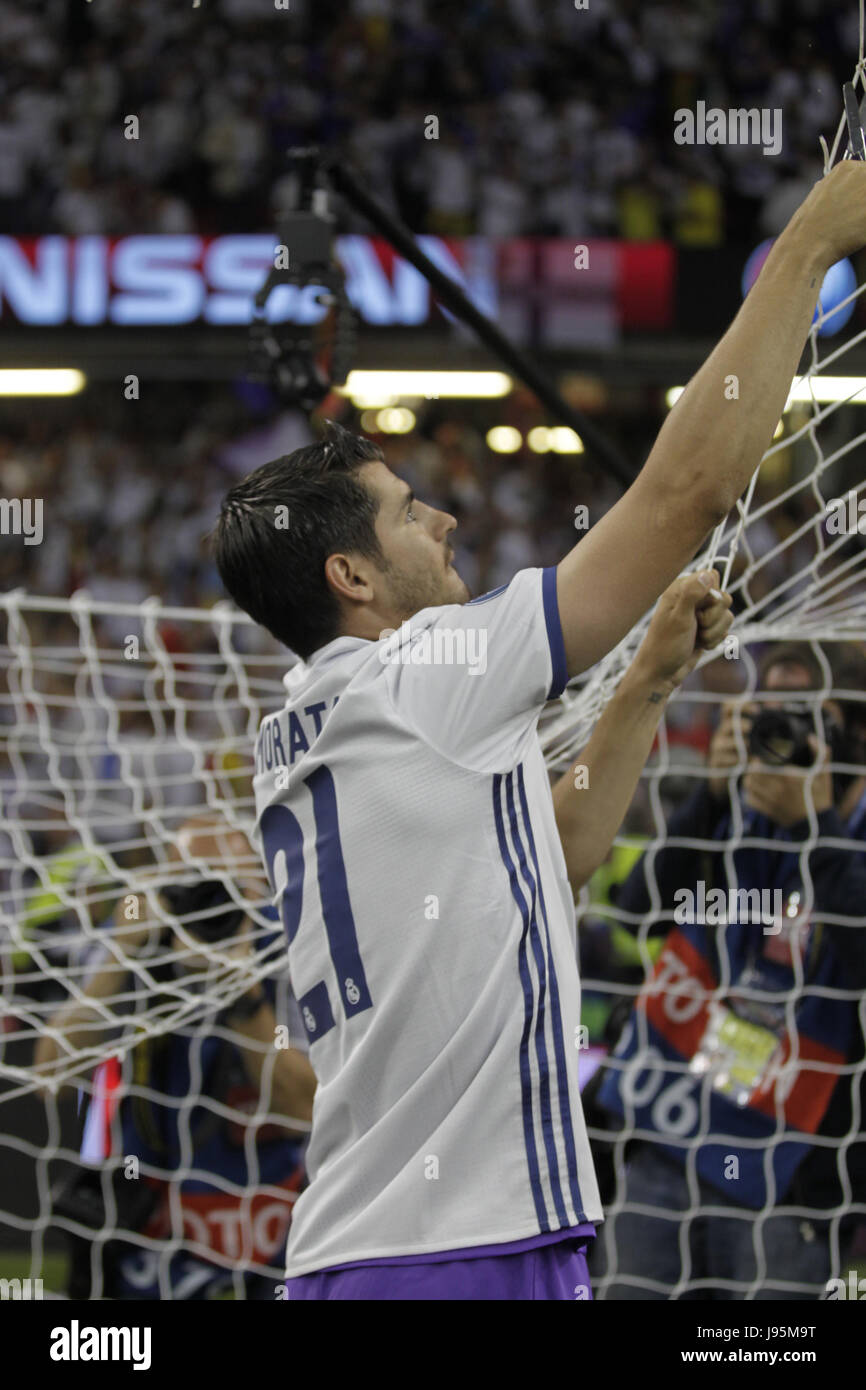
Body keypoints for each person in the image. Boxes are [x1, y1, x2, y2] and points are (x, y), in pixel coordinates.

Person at [212, 159, 866, 1300]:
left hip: (380, 1248)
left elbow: (553, 851)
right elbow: (684, 495)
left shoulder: (324, 719)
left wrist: (645, 684)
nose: (446, 518)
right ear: (350, 575)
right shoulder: (422, 676)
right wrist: (810, 245)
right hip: (456, 1251)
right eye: (409, 512)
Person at [590, 641, 866, 1299]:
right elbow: (638, 913)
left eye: (806, 716)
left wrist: (818, 828)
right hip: (673, 1137)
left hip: (790, 1182)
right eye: (769, 711)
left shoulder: (851, 831)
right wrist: (710, 799)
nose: (783, 731)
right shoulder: (734, 809)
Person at [36, 816, 316, 1299]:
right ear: (162, 888)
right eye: (191, 887)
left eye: (226, 890)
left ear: (259, 888)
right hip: (153, 1229)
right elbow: (50, 1074)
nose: (208, 904)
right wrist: (122, 957)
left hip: (271, 1230)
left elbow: (303, 1110)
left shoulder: (286, 946)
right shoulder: (136, 945)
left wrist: (239, 985)